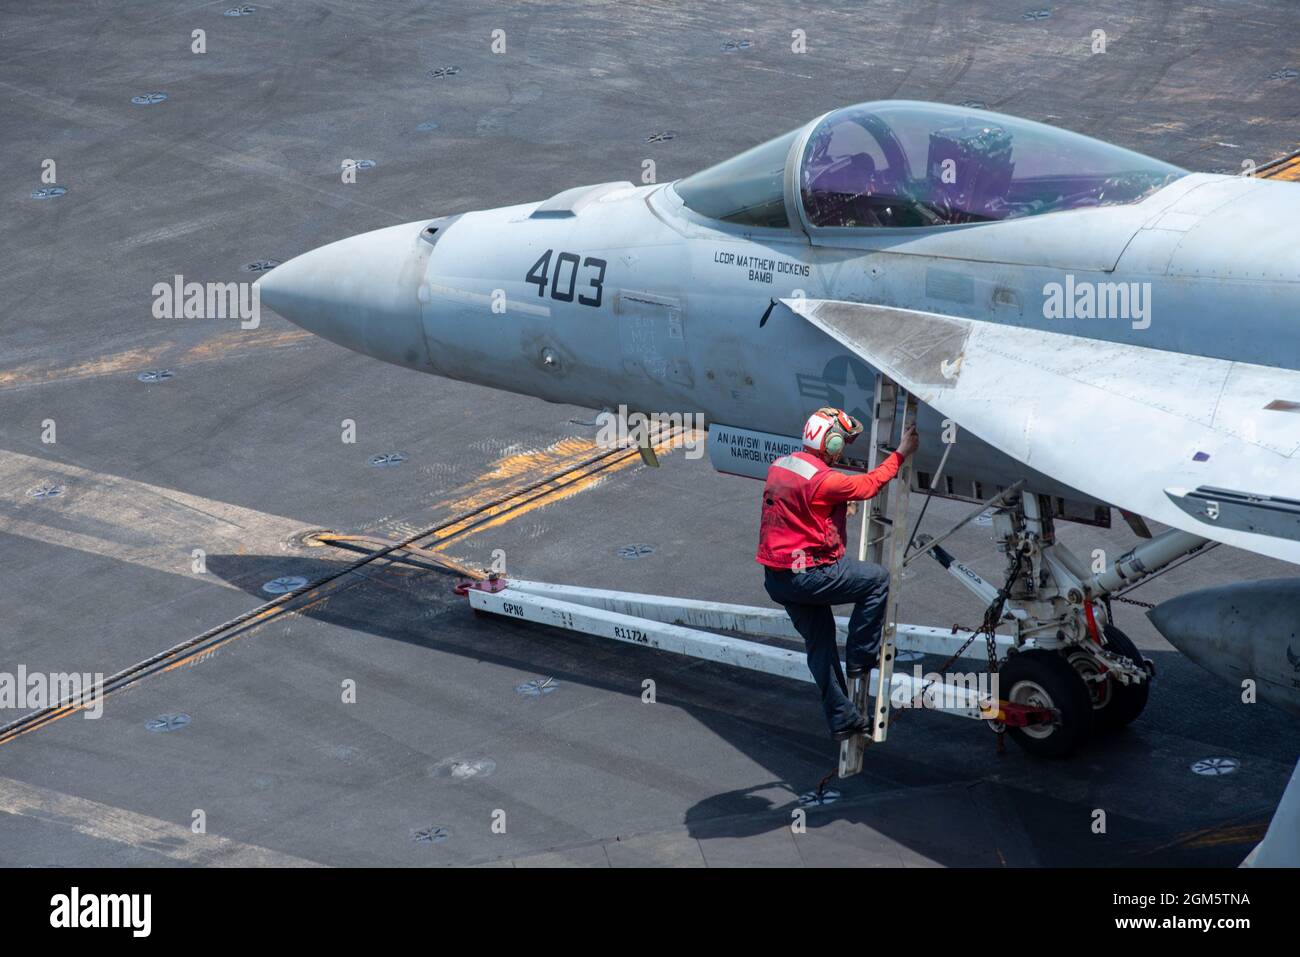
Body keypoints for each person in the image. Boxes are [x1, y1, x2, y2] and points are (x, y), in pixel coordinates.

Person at [756, 407, 919, 739]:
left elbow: (802, 507)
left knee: (820, 646)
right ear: (829, 444)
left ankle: (842, 719)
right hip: (809, 574)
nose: (842, 448)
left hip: (778, 578)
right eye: (840, 442)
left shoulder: (780, 466)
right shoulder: (825, 480)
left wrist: (837, 505)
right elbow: (871, 484)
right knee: (876, 581)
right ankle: (861, 656)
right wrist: (901, 453)